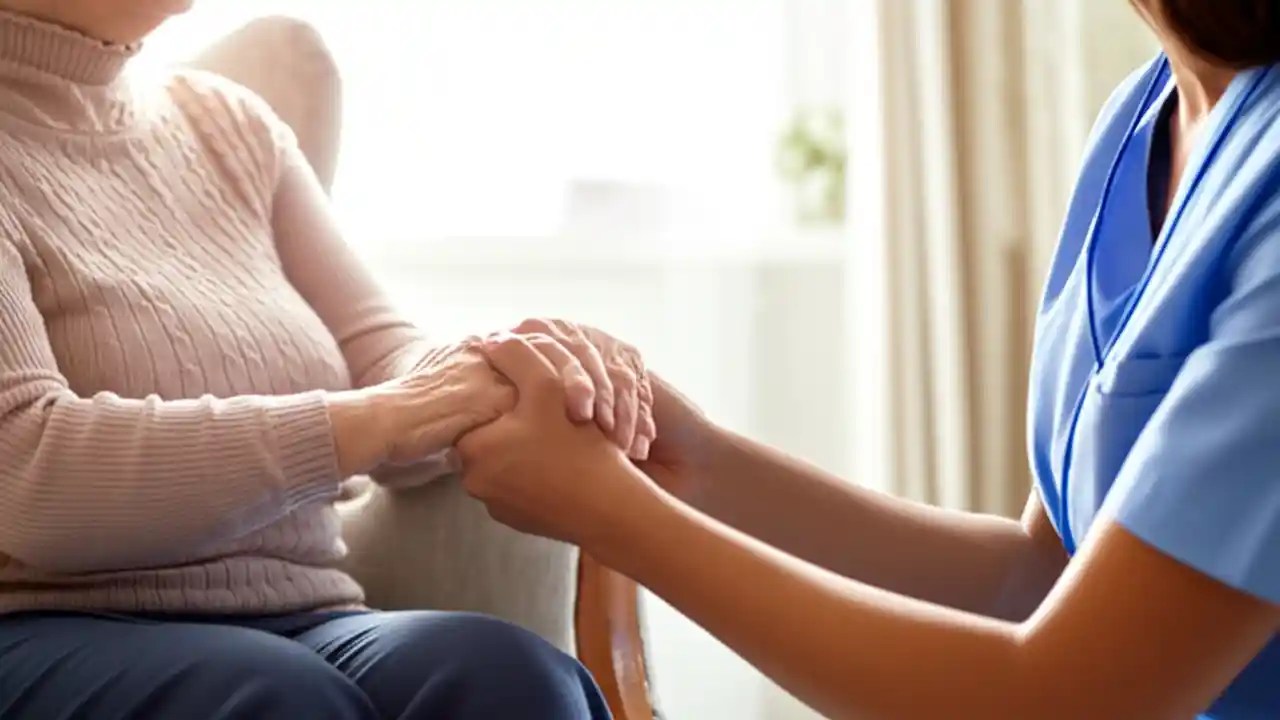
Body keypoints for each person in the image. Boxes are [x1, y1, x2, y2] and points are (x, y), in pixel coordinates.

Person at [457, 2, 1280, 718]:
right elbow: (1045, 576)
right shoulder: (1147, 116)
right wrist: (697, 468)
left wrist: (614, 515)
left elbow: (1068, 697)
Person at [0, 1, 658, 718]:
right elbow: (27, 472)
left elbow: (386, 359)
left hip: (304, 620)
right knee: (277, 697)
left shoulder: (230, 125)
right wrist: (378, 420)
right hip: (40, 625)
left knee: (512, 677)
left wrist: (513, 372)